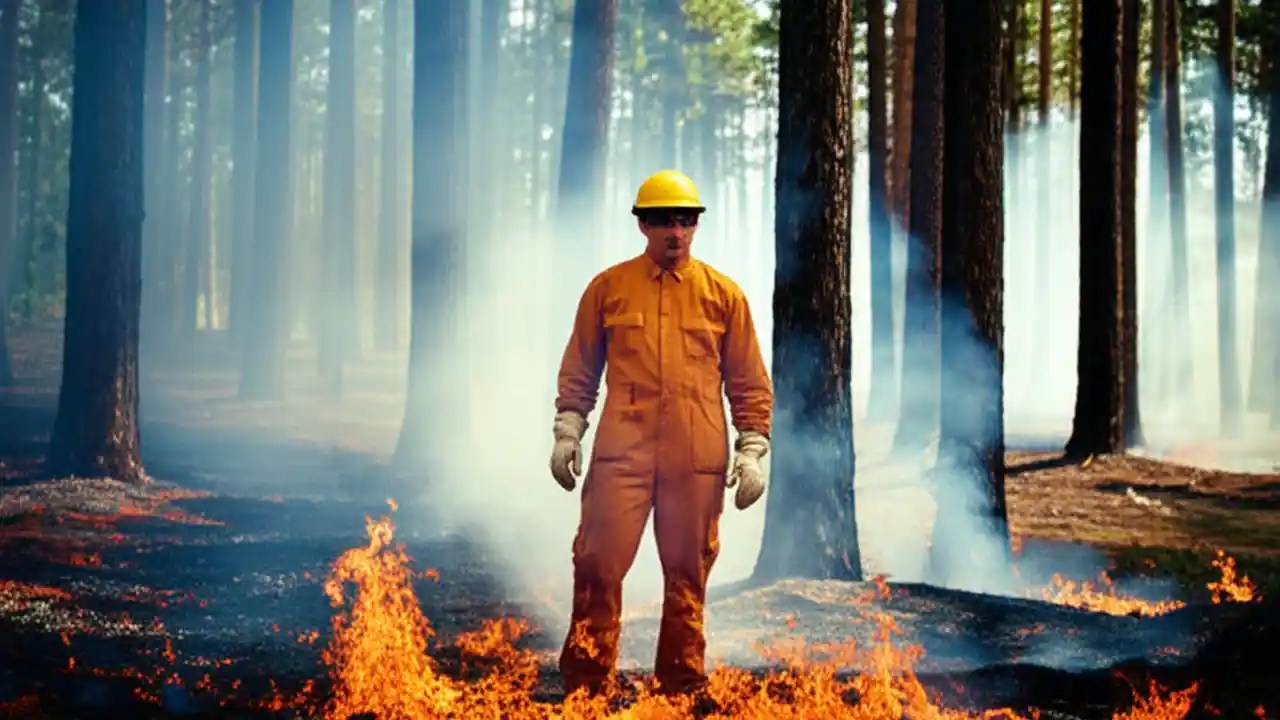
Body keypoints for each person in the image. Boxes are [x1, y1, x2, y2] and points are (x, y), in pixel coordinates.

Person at [548, 168, 775, 697]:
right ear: (642, 226)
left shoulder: (724, 296)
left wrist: (753, 449)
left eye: (684, 221)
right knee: (598, 565)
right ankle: (586, 684)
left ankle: (680, 686)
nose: (675, 232)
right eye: (662, 221)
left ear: (695, 225)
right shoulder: (608, 290)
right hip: (621, 456)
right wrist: (568, 430)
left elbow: (748, 381)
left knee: (686, 576)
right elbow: (581, 368)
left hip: (695, 459)